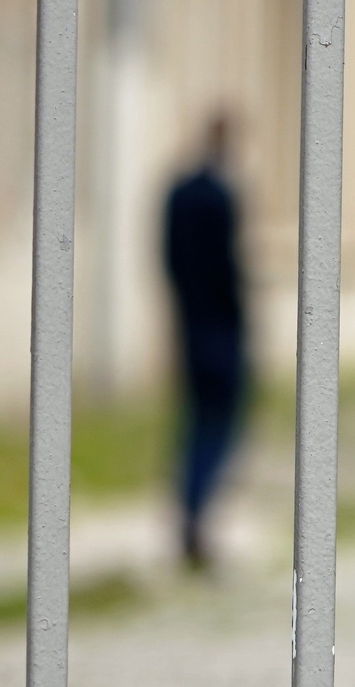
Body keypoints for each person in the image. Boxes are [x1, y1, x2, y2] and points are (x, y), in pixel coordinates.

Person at [163, 113, 248, 569]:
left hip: (190, 327)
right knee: (216, 429)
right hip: (218, 332)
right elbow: (227, 272)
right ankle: (196, 521)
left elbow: (170, 261)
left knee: (195, 426)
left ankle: (191, 519)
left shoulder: (178, 193)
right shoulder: (218, 197)